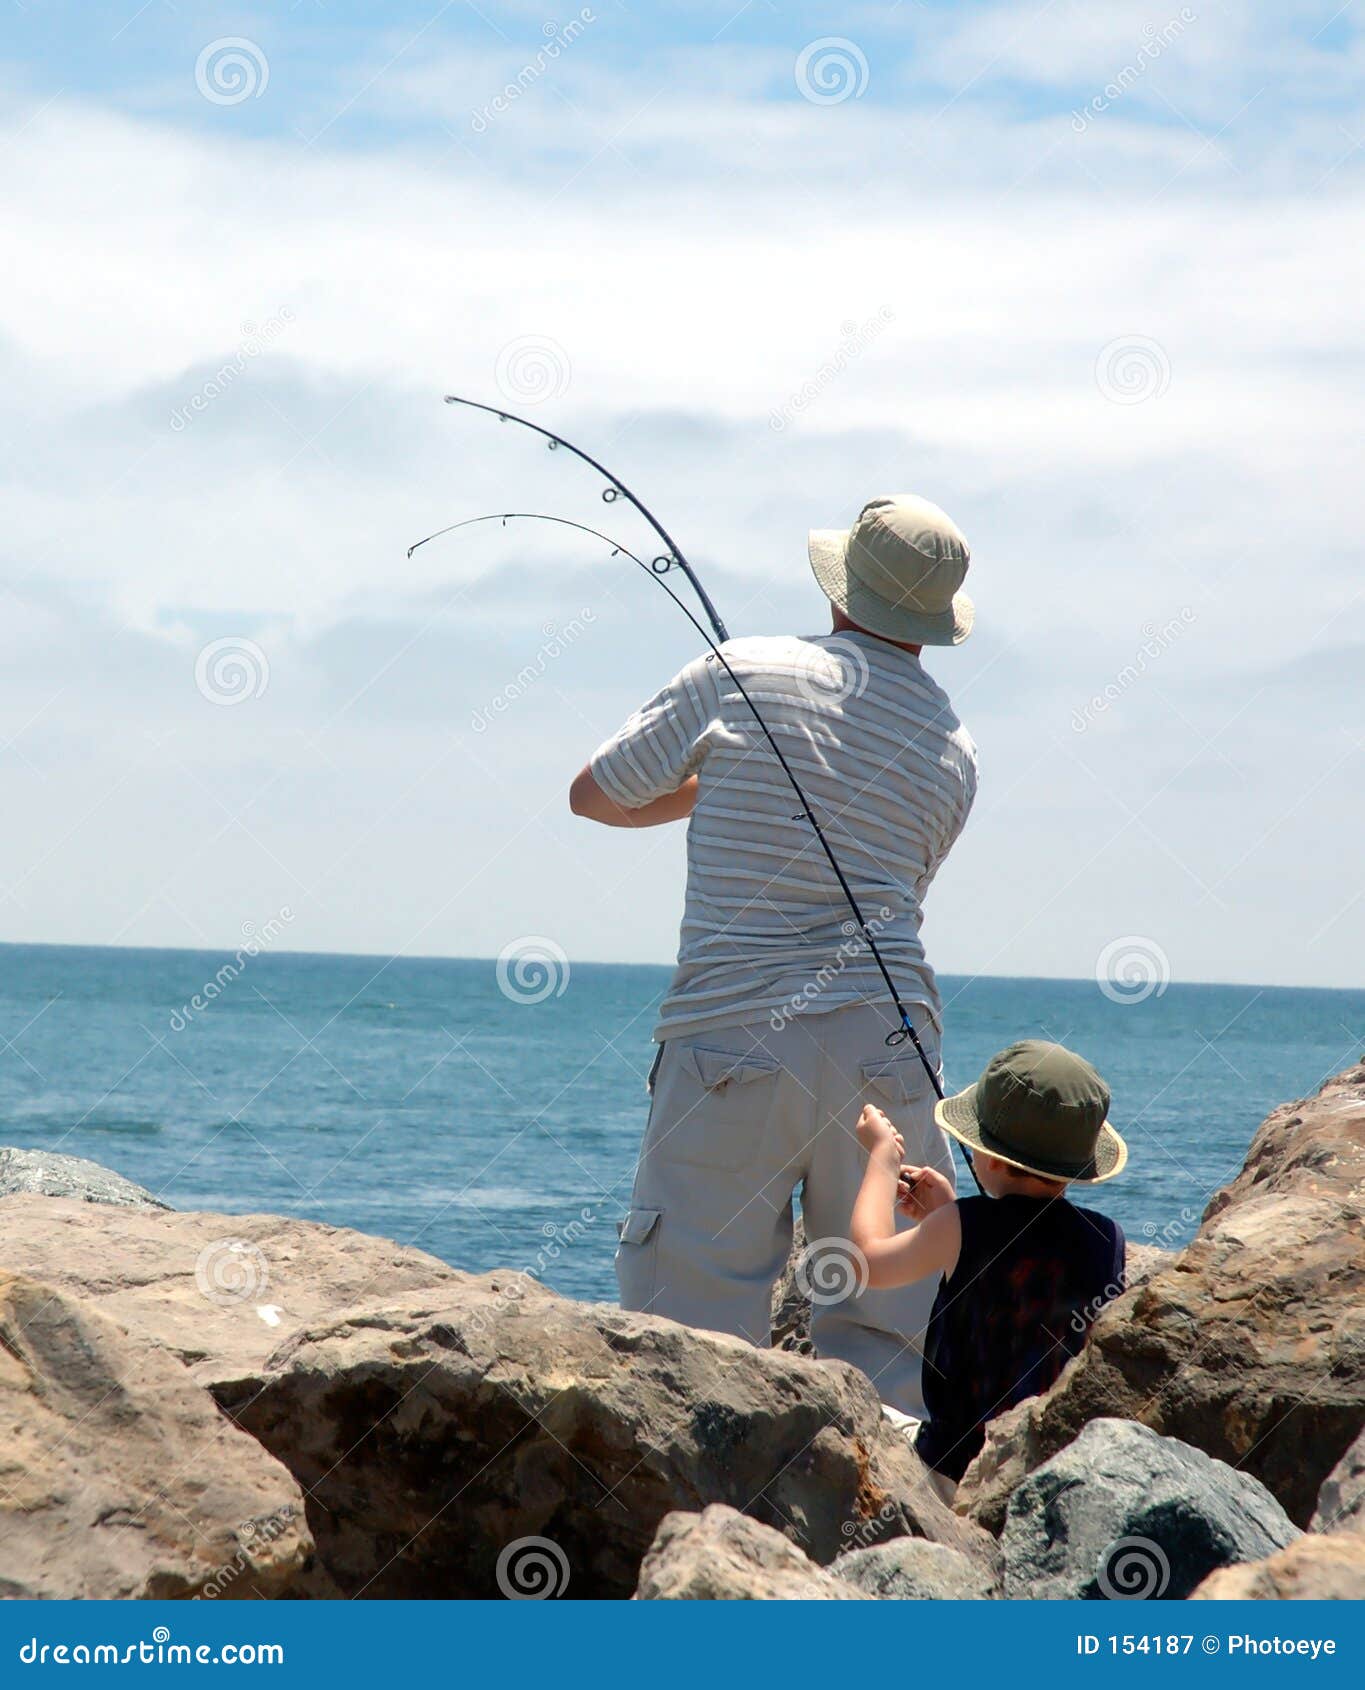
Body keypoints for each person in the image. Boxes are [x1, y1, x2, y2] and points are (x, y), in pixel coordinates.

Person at [569, 494, 978, 1416]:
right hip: (889, 1044)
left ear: (841, 589)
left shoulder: (740, 667)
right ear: (933, 620)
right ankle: (892, 1544)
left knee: (691, 1327)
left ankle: (706, 1533)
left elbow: (592, 794)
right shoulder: (957, 748)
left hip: (732, 1036)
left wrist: (709, 776)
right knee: (884, 1335)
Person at [850, 1040, 1128, 1499]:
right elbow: (1017, 1273)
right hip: (1048, 1471)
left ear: (993, 1158)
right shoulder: (1108, 1239)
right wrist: (947, 1213)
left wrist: (883, 1159)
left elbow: (868, 1261)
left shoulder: (961, 1226)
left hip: (951, 1472)